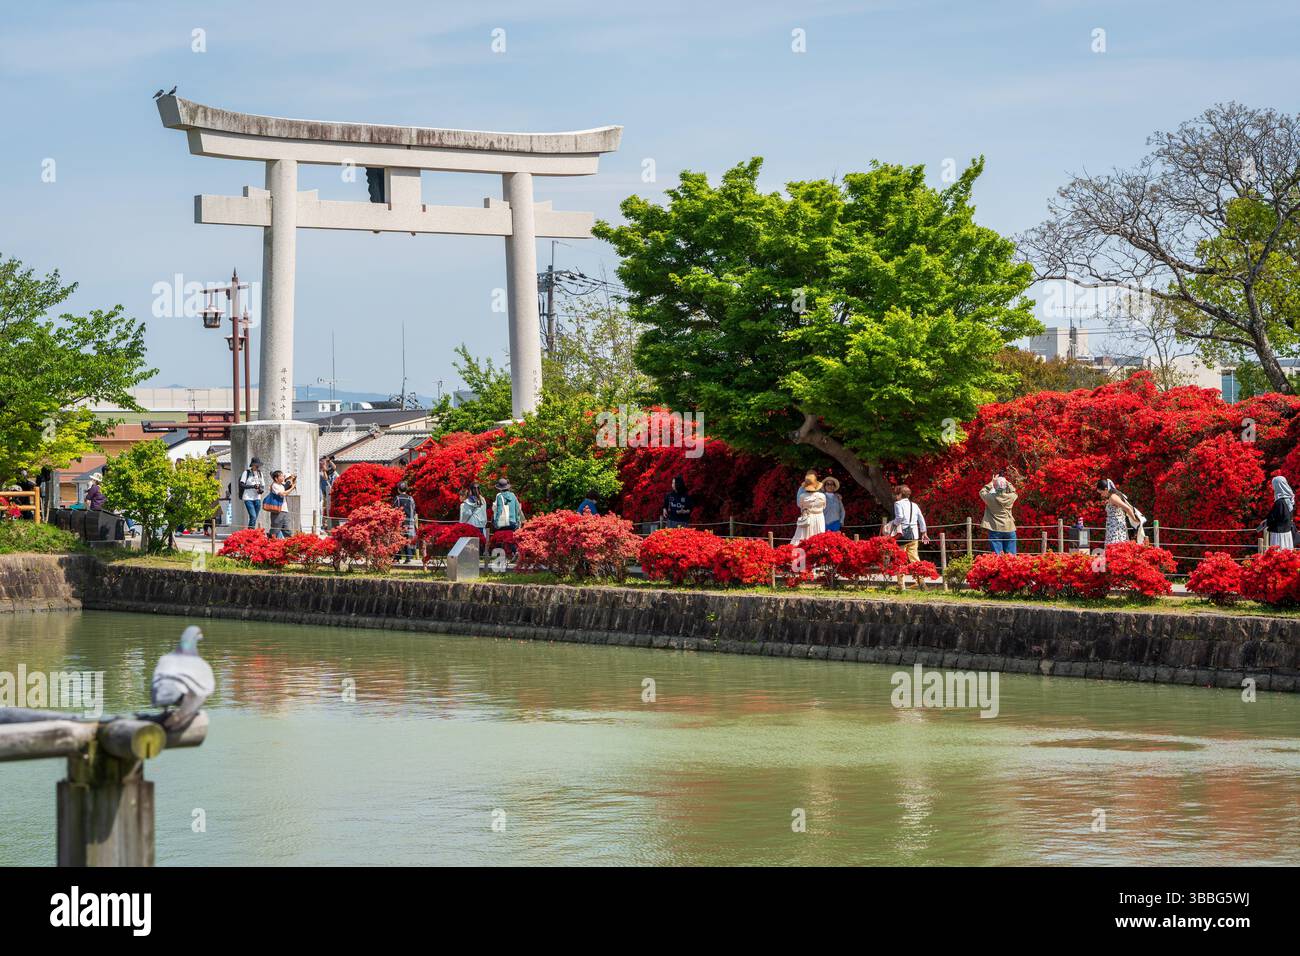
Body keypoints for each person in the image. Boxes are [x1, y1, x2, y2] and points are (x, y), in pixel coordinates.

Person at [888, 485, 929, 561]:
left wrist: (893, 523)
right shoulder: (914, 505)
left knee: (899, 557)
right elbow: (921, 519)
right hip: (914, 535)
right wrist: (924, 532)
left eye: (896, 494)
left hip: (902, 535)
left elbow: (900, 517)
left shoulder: (898, 504)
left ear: (900, 494)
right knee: (914, 558)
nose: (896, 497)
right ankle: (920, 571)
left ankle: (901, 572)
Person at [980, 474, 1018, 554]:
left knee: (997, 558)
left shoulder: (990, 497)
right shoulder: (1011, 497)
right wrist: (1006, 482)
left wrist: (992, 482)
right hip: (1009, 528)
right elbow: (1014, 491)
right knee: (1011, 558)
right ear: (1005, 486)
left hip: (995, 528)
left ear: (995, 487)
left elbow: (982, 491)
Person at [1097, 478, 1142, 545]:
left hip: (1116, 528)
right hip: (1113, 527)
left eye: (1101, 492)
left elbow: (1127, 508)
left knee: (1115, 547)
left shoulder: (1113, 497)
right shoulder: (1112, 497)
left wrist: (1134, 519)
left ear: (1106, 489)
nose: (1101, 495)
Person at [1262, 475, 1295, 550]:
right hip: (1287, 532)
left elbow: (1274, 517)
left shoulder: (1279, 502)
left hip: (1279, 534)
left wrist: (1266, 522)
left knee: (1278, 554)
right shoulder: (1290, 500)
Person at [791, 475, 827, 545]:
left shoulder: (802, 496)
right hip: (819, 518)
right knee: (819, 538)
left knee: (804, 538)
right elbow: (824, 507)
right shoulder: (822, 496)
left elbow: (800, 506)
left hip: (807, 517)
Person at [263, 470, 296, 539]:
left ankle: (290, 546)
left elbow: (287, 486)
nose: (283, 477)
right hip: (277, 510)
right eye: (281, 476)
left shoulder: (281, 485)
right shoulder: (275, 485)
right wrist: (292, 488)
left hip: (284, 510)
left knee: (287, 530)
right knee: (275, 530)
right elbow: (283, 493)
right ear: (276, 478)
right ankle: (269, 543)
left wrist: (292, 479)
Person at [393, 481, 418, 562]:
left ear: (398, 489)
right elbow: (414, 510)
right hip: (410, 522)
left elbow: (394, 510)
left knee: (398, 540)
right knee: (408, 540)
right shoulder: (411, 498)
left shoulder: (397, 498)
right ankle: (409, 557)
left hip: (400, 523)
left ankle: (397, 558)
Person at [239, 458, 267, 528]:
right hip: (248, 498)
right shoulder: (246, 472)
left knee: (254, 518)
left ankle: (250, 534)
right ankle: (251, 533)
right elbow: (241, 485)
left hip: (257, 498)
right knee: (253, 516)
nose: (258, 466)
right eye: (256, 465)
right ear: (252, 465)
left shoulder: (260, 473)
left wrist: (261, 490)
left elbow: (262, 485)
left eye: (258, 465)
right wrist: (253, 486)